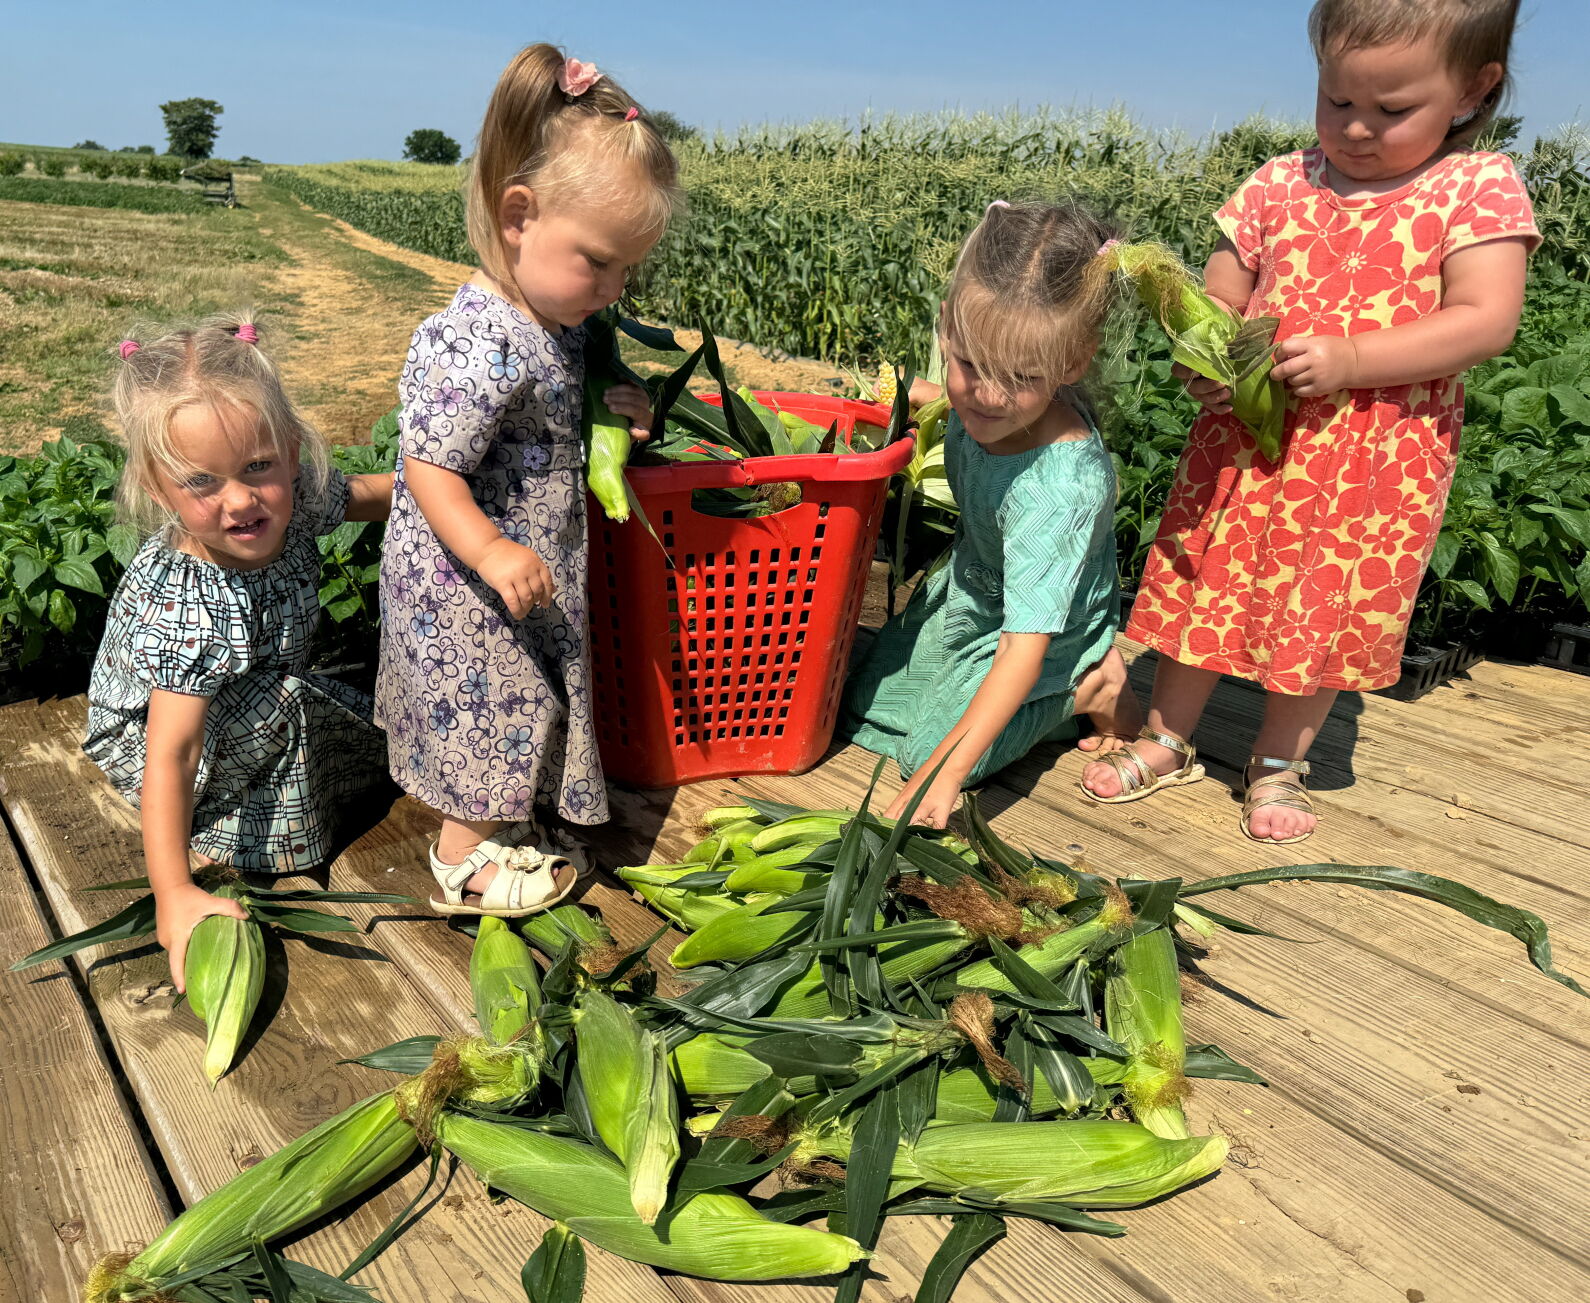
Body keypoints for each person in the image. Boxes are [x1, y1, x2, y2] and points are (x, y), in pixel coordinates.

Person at [1082, 0, 1537, 844]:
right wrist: (1204, 355)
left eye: (1392, 110)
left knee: (1325, 602)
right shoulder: (1277, 182)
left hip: (1375, 458)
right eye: (1337, 101)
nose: (1357, 128)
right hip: (1245, 445)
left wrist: (1352, 360)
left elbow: (1485, 318)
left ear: (1474, 90)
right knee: (1206, 582)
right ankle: (1167, 736)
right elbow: (1222, 291)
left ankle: (1278, 761)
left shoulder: (1475, 186)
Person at [376, 44, 677, 916]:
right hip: (462, 577)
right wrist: (492, 546)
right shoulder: (477, 342)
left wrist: (624, 411)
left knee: (532, 699)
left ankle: (510, 822)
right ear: (519, 217)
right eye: (600, 263)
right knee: (488, 712)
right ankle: (459, 860)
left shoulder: (556, 319)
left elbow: (561, 422)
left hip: (520, 568)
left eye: (629, 268)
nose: (615, 287)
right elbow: (428, 464)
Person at [84, 314, 393, 991]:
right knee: (299, 710)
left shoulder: (297, 502)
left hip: (238, 699)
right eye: (202, 482)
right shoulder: (193, 603)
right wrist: (173, 893)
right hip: (152, 740)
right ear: (159, 487)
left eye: (259, 467)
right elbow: (176, 751)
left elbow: (370, 496)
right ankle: (224, 837)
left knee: (326, 711)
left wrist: (446, 493)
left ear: (290, 450)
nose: (241, 499)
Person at [842, 199, 1141, 830]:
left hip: (1041, 636)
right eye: (970, 364)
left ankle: (1090, 686)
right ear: (947, 327)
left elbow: (1021, 649)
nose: (988, 394)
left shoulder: (1058, 489)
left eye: (1020, 376)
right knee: (857, 707)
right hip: (971, 598)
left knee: (929, 754)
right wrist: (928, 395)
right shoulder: (984, 403)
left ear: (1073, 361)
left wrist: (944, 778)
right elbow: (975, 396)